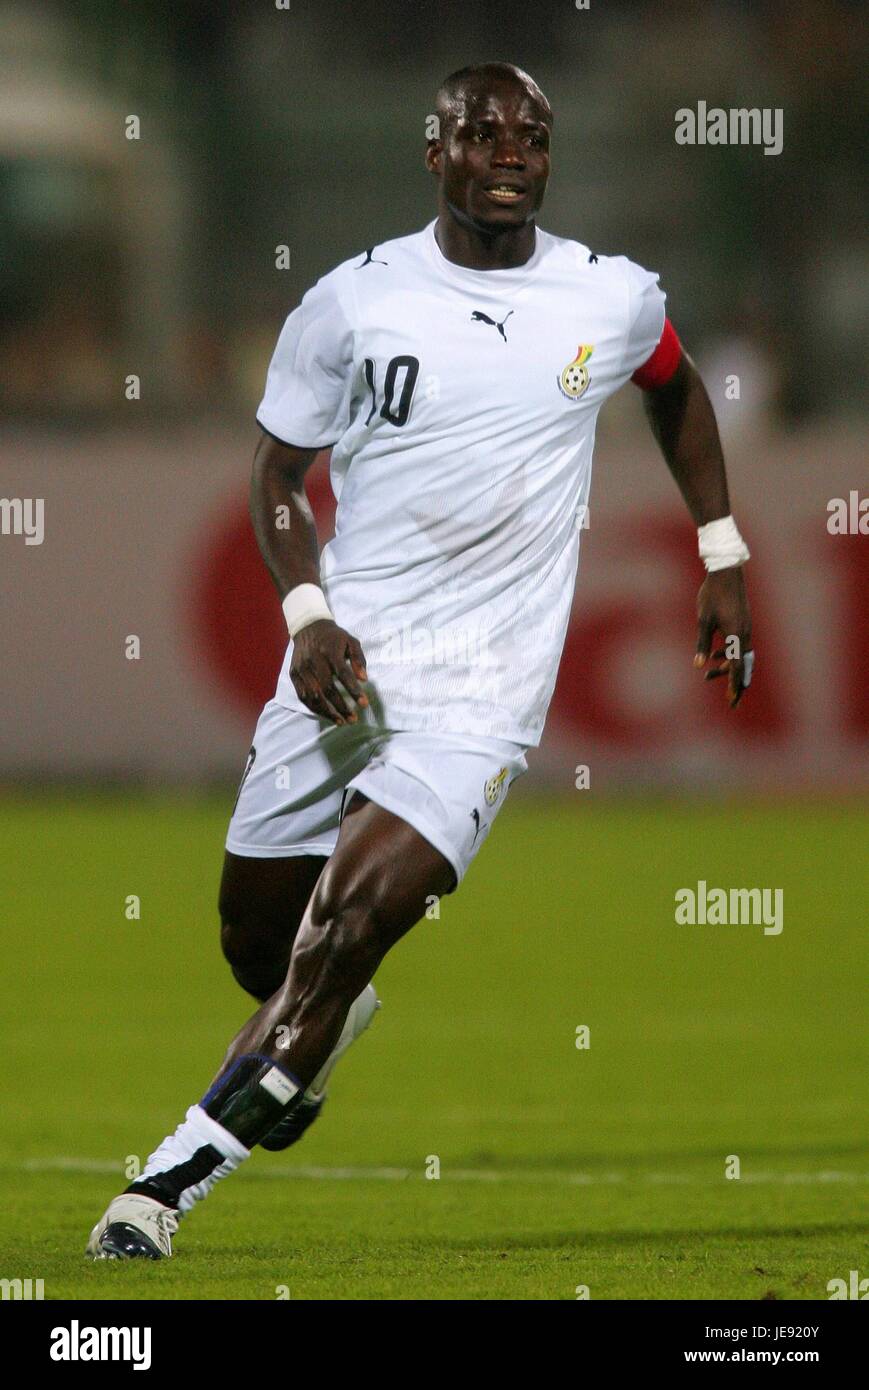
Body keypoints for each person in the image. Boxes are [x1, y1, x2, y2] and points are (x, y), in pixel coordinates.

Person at [87, 62, 752, 1259]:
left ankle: (163, 1186)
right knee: (259, 944)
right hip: (346, 662)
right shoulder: (352, 302)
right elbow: (276, 476)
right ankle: (309, 1037)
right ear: (432, 149)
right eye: (481, 131)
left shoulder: (607, 297)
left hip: (480, 691)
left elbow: (676, 388)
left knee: (345, 930)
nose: (509, 152)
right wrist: (303, 616)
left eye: (531, 136)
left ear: (548, 157)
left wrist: (719, 546)